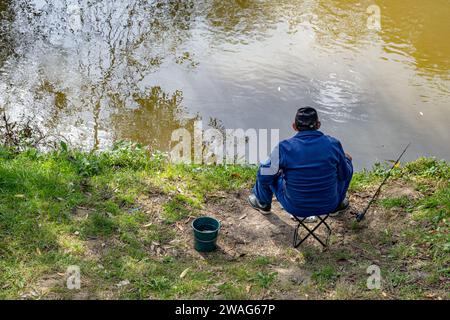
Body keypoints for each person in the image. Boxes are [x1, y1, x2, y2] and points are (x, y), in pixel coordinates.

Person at [248, 107, 353, 220]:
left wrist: (278, 173)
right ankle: (338, 205)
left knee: (267, 170)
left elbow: (264, 176)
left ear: (294, 126)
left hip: (295, 207)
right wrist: (344, 159)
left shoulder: (284, 147)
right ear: (318, 125)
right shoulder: (333, 144)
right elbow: (345, 175)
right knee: (347, 163)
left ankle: (263, 203)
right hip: (329, 205)